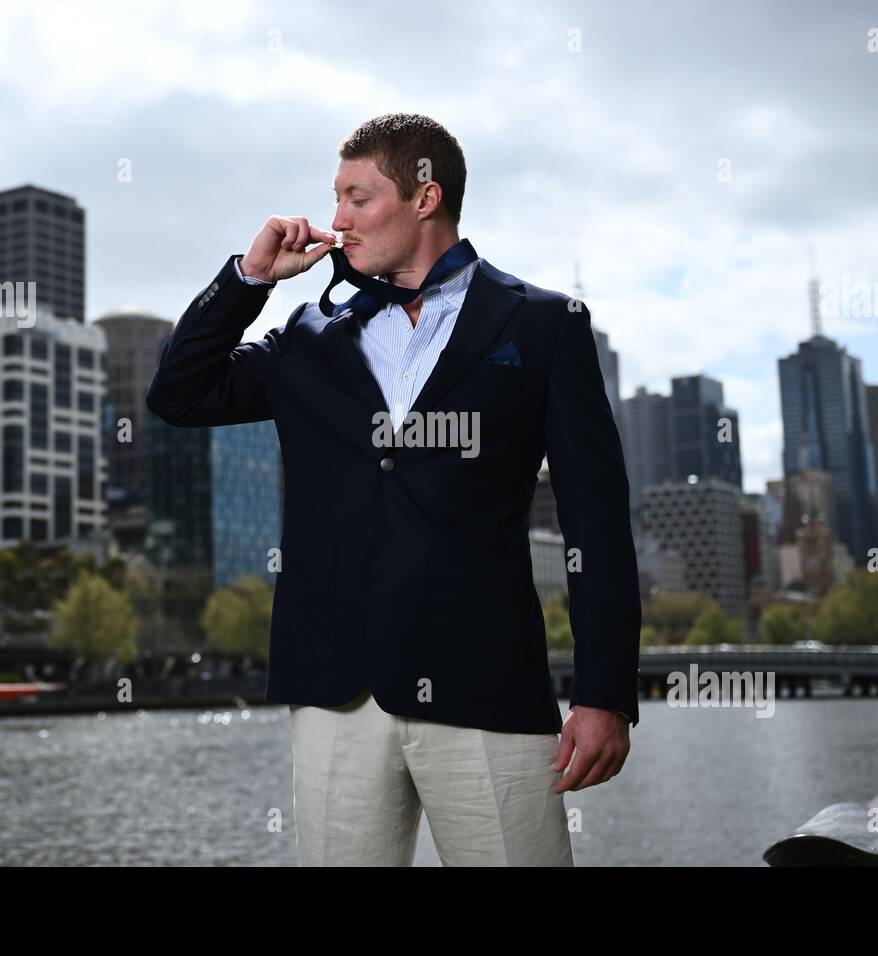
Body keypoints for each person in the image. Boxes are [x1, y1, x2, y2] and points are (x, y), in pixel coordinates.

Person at [147, 113, 640, 866]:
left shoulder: (544, 327)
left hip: (488, 691)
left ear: (424, 196)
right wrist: (248, 281)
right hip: (338, 690)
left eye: (357, 196)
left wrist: (605, 693)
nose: (335, 219)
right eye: (335, 197)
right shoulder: (309, 337)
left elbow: (596, 524)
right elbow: (178, 395)